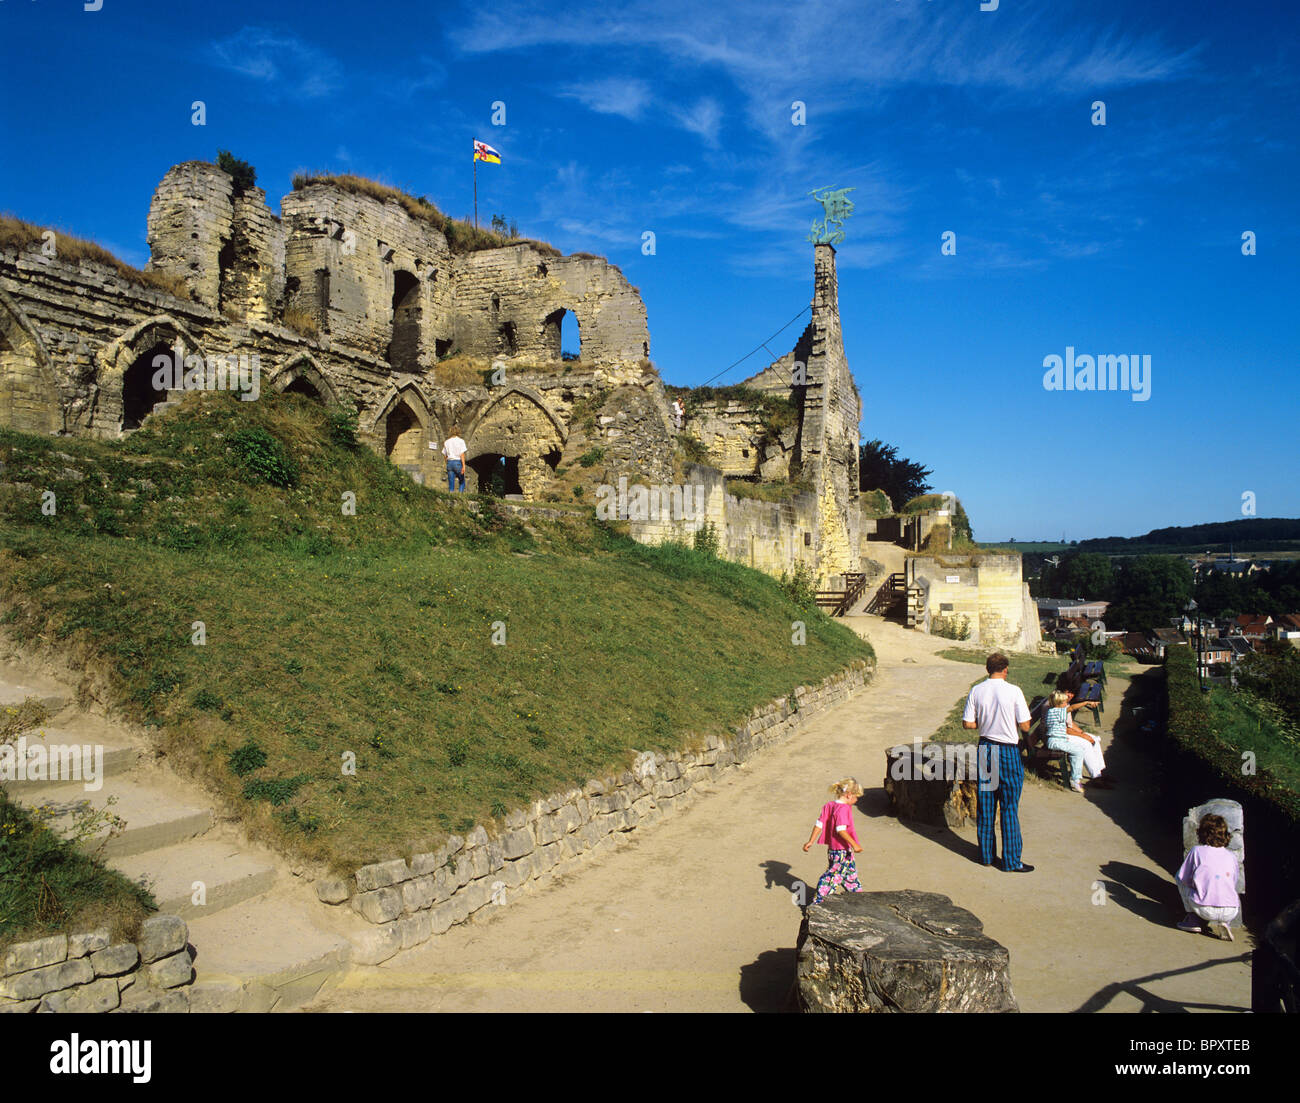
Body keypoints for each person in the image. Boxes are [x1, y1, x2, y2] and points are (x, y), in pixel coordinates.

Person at [963, 652, 1033, 872]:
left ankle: (985, 855)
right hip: (1007, 750)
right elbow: (1025, 726)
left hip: (986, 748)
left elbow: (968, 724)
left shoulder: (977, 690)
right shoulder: (1013, 691)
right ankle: (1012, 861)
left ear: (987, 669)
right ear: (1005, 669)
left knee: (986, 804)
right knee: (1009, 806)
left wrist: (985, 723)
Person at [1175, 813, 1240, 940]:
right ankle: (1225, 923)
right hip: (1231, 910)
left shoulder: (1196, 851)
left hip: (1204, 907)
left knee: (1179, 877)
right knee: (1226, 885)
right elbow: (1234, 881)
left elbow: (1184, 878)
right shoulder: (1232, 856)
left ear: (1202, 833)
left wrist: (1198, 885)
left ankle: (1193, 919)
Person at [802, 777, 864, 902]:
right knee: (832, 876)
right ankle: (819, 900)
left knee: (850, 875)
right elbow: (841, 830)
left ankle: (858, 898)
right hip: (842, 851)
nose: (856, 800)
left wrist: (811, 841)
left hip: (834, 850)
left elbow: (819, 824)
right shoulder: (843, 809)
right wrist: (854, 844)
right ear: (848, 795)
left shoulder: (829, 806)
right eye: (856, 797)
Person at [1044, 690, 1111, 792]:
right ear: (1058, 704)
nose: (1066, 704)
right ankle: (1075, 779)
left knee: (1078, 750)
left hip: (1060, 740)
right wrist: (1086, 702)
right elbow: (1071, 708)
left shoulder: (1053, 711)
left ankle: (1080, 776)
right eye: (1064, 702)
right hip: (1056, 741)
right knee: (1079, 750)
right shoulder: (1056, 711)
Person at [441, 425, 467, 492]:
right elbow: (462, 454)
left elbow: (444, 454)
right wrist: (464, 466)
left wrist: (447, 462)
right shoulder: (461, 441)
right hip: (457, 462)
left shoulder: (446, 442)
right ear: (458, 432)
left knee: (451, 483)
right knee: (462, 481)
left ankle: (451, 497)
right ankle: (460, 496)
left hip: (449, 463)